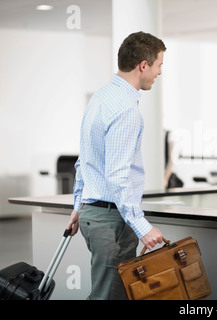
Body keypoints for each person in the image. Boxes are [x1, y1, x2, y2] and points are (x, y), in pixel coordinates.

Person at [65, 31, 166, 299]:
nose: (159, 73)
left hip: (95, 214)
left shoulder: (99, 98)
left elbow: (84, 159)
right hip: (111, 222)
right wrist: (142, 227)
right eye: (158, 66)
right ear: (143, 65)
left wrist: (79, 205)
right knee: (109, 297)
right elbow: (117, 176)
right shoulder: (125, 110)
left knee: (105, 293)